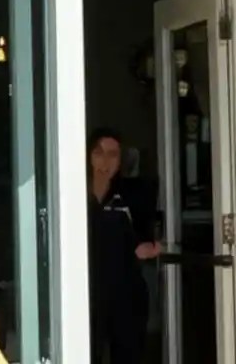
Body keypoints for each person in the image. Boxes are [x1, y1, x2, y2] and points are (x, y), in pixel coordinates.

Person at [87, 128, 160, 364]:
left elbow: (146, 238)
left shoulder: (132, 196)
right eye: (98, 152)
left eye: (113, 154)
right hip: (87, 296)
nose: (105, 161)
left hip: (126, 296)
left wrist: (147, 248)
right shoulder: (70, 195)